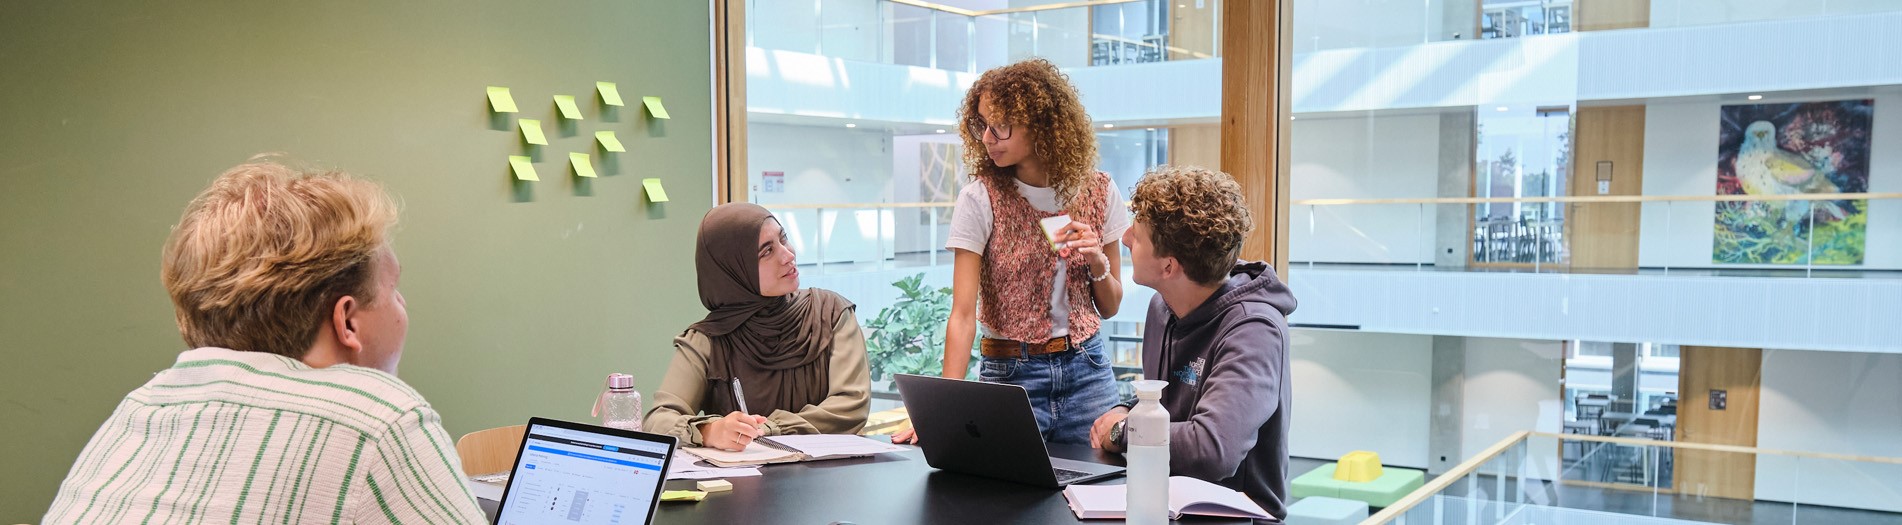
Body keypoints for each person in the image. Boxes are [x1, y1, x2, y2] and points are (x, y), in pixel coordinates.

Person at [44, 159, 486, 524]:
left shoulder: (142, 407)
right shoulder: (376, 417)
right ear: (347, 320)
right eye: (393, 289)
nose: (402, 304)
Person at [895, 58, 1128, 446]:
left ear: (1041, 125)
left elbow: (1111, 307)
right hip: (1010, 376)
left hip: (1088, 371)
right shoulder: (980, 199)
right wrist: (941, 409)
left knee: (1096, 497)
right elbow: (963, 315)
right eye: (982, 124)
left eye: (1000, 126)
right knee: (1006, 502)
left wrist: (1096, 262)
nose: (987, 138)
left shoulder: (1101, 191)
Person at [1087, 165, 1298, 521]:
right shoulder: (1162, 308)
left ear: (1169, 267)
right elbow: (1168, 405)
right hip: (1163, 503)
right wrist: (1128, 409)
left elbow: (1212, 448)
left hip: (1232, 517)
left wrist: (1124, 431)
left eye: (1137, 237)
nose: (1123, 239)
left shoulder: (1254, 330)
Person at [645, 203, 870, 451]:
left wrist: (772, 428)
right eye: (766, 252)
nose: (787, 255)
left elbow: (851, 406)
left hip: (831, 481)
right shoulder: (708, 339)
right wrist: (708, 430)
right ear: (734, 270)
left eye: (783, 239)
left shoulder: (831, 313)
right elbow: (659, 419)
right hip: (745, 486)